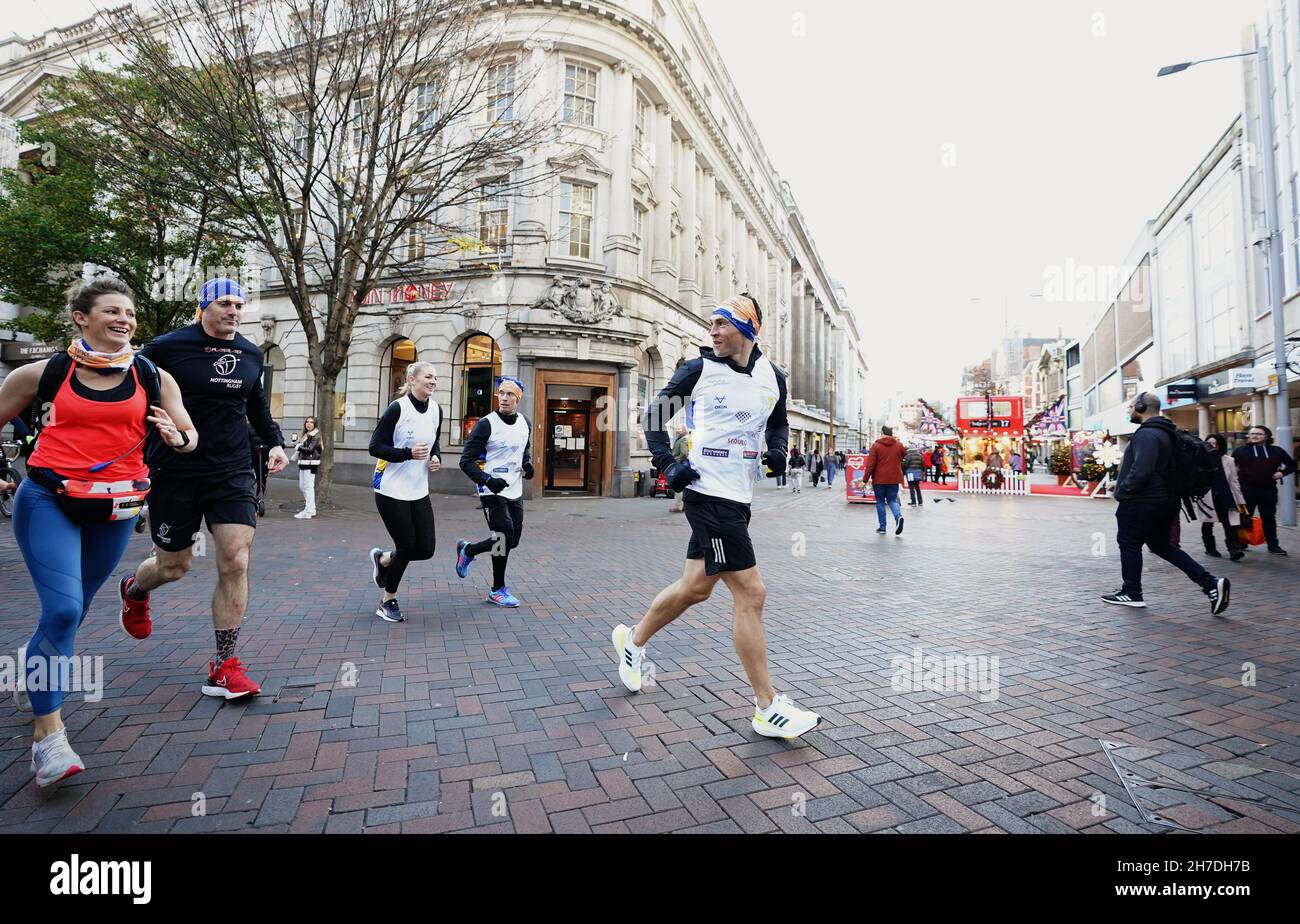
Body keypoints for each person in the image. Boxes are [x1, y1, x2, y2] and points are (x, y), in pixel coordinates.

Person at [0, 278, 197, 788]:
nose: (125, 320)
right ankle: (49, 739)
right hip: (48, 499)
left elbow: (189, 434)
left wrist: (178, 438)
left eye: (129, 313)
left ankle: (31, 667)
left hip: (117, 508)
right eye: (112, 311)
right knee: (63, 610)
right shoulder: (43, 373)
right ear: (81, 318)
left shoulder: (153, 376)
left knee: (73, 612)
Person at [611, 294, 820, 739]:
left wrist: (779, 450)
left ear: (747, 328)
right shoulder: (698, 369)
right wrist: (668, 465)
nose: (713, 332)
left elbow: (778, 421)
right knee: (752, 592)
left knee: (694, 588)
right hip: (708, 494)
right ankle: (767, 707)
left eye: (722, 324)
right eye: (711, 325)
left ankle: (633, 640)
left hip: (739, 495)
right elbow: (654, 415)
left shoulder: (772, 376)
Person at [120, 278, 288, 701]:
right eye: (225, 303)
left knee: (235, 558)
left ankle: (224, 665)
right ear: (203, 307)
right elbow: (128, 395)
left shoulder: (250, 354)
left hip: (231, 469)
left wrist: (275, 444)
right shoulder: (165, 348)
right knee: (174, 566)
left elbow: (256, 408)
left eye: (239, 304)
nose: (233, 311)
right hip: (175, 468)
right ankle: (135, 590)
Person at [1102, 392, 1229, 614]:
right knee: (1161, 545)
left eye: (1131, 406)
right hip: (1166, 500)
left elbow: (1142, 469)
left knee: (1129, 543)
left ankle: (1131, 592)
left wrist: (1123, 491)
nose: (1129, 410)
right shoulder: (1168, 432)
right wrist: (1120, 482)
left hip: (1143, 500)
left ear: (1141, 407)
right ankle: (1210, 584)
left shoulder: (1147, 434)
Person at [368, 363, 441, 622]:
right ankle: (387, 600)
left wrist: (434, 457)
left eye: (435, 378)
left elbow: (435, 441)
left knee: (426, 548)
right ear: (412, 379)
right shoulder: (397, 408)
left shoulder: (435, 409)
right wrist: (407, 454)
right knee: (408, 546)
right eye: (428, 377)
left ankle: (383, 559)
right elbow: (375, 447)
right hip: (390, 488)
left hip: (418, 489)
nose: (433, 381)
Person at [454, 376, 534, 607]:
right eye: (502, 393)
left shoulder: (524, 423)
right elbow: (466, 461)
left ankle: (469, 550)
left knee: (512, 540)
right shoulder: (486, 424)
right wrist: (487, 480)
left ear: (518, 398)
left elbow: (524, 451)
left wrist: (528, 466)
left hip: (514, 488)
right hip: (491, 489)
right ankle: (497, 590)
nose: (504, 398)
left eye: (510, 394)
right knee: (503, 535)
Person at [1232, 425, 1296, 555]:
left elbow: (1292, 465)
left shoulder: (1276, 451)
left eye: (1259, 434)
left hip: (1268, 490)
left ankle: (1273, 546)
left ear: (1266, 436)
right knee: (1244, 517)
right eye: (1252, 434)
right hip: (1246, 490)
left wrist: (1282, 473)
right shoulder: (1240, 451)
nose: (1254, 436)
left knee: (1269, 518)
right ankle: (1241, 543)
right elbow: (1231, 467)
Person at [1191, 433, 1248, 561]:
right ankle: (1210, 548)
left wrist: (1240, 500)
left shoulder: (1229, 460)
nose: (1211, 446)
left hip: (1226, 495)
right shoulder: (1199, 460)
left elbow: (1234, 481)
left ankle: (1234, 549)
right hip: (1207, 497)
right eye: (1208, 443)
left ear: (1220, 445)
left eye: (1214, 444)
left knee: (1230, 524)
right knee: (1208, 523)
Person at [864, 426, 906, 535]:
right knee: (892, 500)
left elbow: (870, 465)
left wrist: (865, 479)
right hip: (894, 478)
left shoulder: (876, 446)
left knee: (880, 501)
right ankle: (898, 516)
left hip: (879, 479)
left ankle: (882, 527)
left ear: (882, 433)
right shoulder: (898, 445)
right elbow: (904, 455)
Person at [293, 416, 322, 519]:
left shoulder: (315, 435)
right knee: (302, 487)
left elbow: (310, 449)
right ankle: (311, 508)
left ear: (315, 424)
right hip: (303, 463)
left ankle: (308, 511)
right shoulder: (306, 435)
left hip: (311, 463)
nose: (309, 424)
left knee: (308, 487)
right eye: (307, 422)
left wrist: (298, 447)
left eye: (311, 422)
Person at [670, 424, 689, 512]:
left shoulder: (684, 439)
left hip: (680, 464)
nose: (678, 430)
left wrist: (676, 460)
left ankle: (679, 506)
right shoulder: (681, 438)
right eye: (677, 428)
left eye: (680, 429)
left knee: (678, 485)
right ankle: (681, 505)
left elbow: (684, 453)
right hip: (681, 464)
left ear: (684, 430)